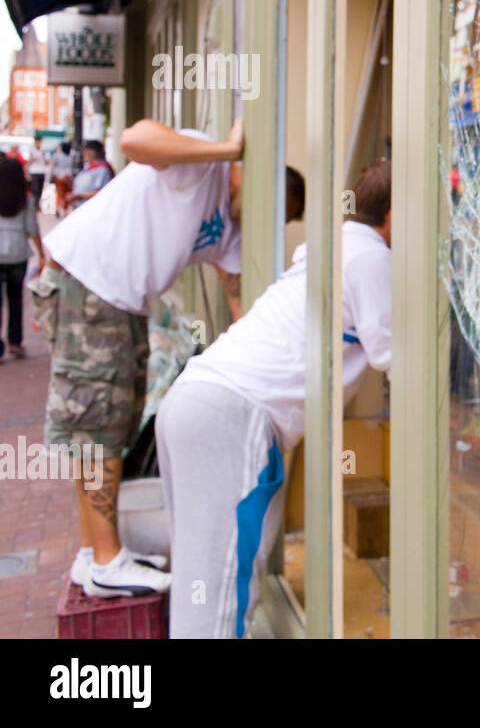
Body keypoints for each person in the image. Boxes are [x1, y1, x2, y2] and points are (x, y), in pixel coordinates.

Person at [30, 118, 306, 599]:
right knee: (97, 425)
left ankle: (94, 551)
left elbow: (239, 299)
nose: (266, 227)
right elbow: (134, 140)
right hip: (88, 283)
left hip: (121, 301)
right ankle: (105, 561)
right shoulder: (200, 163)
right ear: (264, 188)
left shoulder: (233, 226)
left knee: (115, 423)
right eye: (276, 215)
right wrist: (225, 149)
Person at [156, 160, 392, 638]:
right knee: (221, 598)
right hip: (232, 417)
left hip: (197, 401)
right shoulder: (371, 259)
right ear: (399, 214)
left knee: (206, 582)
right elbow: (399, 358)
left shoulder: (330, 248)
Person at [0, 156, 44, 361]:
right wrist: (41, 255)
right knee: (15, 299)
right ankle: (15, 342)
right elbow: (32, 229)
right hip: (18, 253)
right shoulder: (25, 199)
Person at [66, 140, 114, 210]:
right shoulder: (88, 167)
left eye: (85, 151)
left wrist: (79, 196)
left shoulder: (103, 169)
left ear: (90, 152)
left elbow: (103, 192)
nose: (84, 154)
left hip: (93, 210)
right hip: (82, 208)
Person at [51, 142, 73, 216]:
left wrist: (52, 175)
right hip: (68, 177)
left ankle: (58, 207)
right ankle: (65, 209)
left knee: (59, 194)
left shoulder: (57, 155)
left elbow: (53, 166)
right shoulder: (71, 156)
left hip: (59, 177)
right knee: (66, 194)